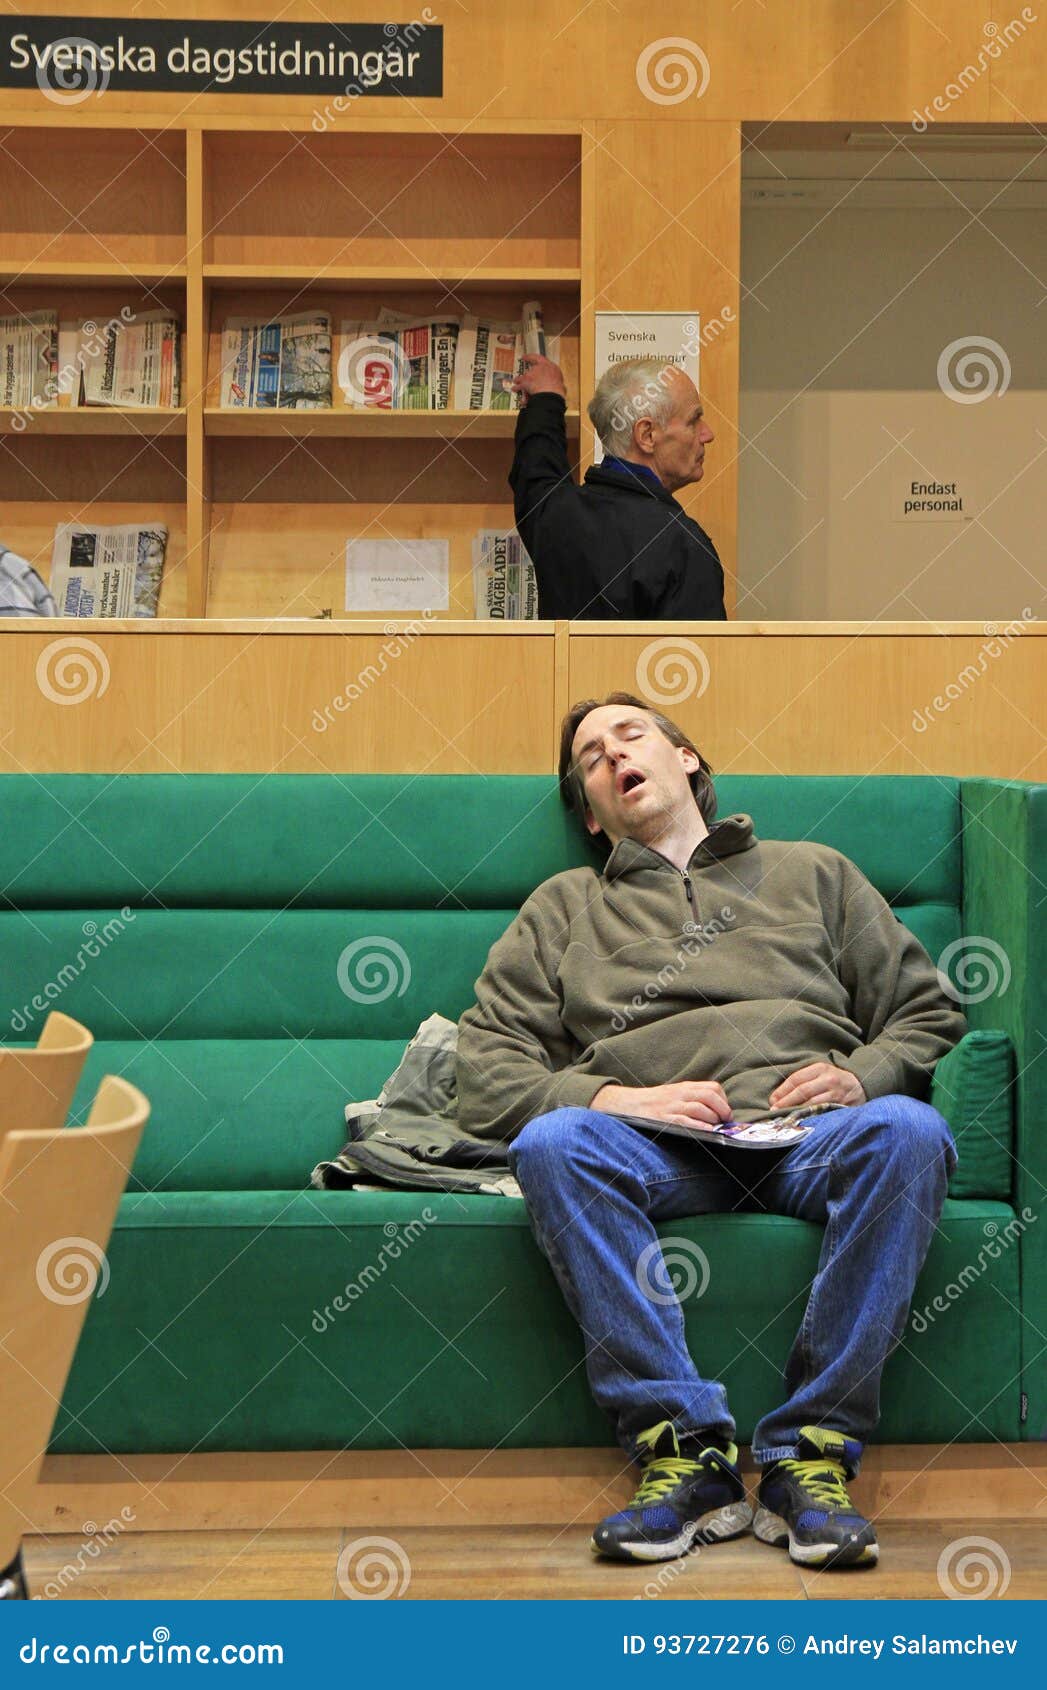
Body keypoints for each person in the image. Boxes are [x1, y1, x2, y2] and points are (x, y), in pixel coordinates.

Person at [456, 691, 965, 1569]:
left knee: (910, 1132)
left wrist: (860, 1076)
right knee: (551, 1143)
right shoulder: (564, 905)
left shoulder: (814, 872)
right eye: (589, 758)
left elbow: (927, 1014)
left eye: (630, 733)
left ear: (684, 759)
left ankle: (810, 1455)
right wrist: (610, 1100)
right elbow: (488, 1067)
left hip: (810, 1134)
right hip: (658, 1149)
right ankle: (684, 1452)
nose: (612, 754)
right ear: (591, 812)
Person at [508, 355, 726, 620]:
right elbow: (699, 658)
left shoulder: (553, 514)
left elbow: (535, 468)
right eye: (694, 420)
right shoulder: (683, 545)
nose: (708, 434)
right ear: (647, 435)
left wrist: (546, 398)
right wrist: (548, 398)